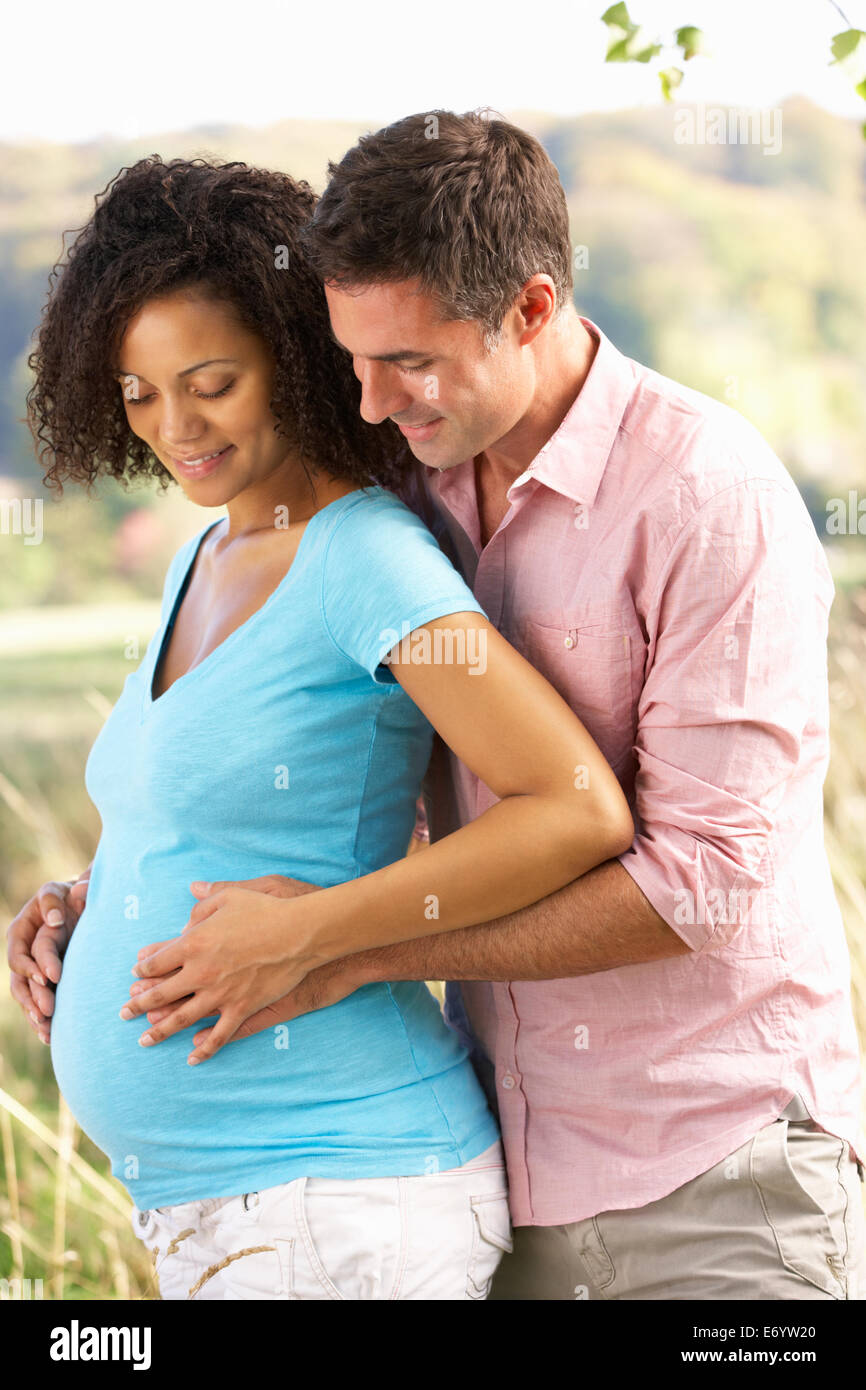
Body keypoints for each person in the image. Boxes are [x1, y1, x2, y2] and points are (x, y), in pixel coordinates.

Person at [78, 109, 865, 1301]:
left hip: (714, 1179)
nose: (371, 400)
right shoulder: (414, 477)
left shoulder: (708, 499)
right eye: (349, 359)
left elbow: (695, 883)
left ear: (534, 308)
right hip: (519, 1165)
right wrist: (106, 908)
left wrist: (335, 943)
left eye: (407, 361)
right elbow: (329, 761)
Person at [6, 154, 634, 1301]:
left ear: (291, 361)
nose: (172, 425)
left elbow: (575, 807)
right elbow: (209, 818)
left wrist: (323, 932)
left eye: (210, 383)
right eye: (140, 391)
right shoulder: (205, 556)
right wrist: (85, 906)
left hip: (340, 1197)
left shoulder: (361, 559)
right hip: (230, 1207)